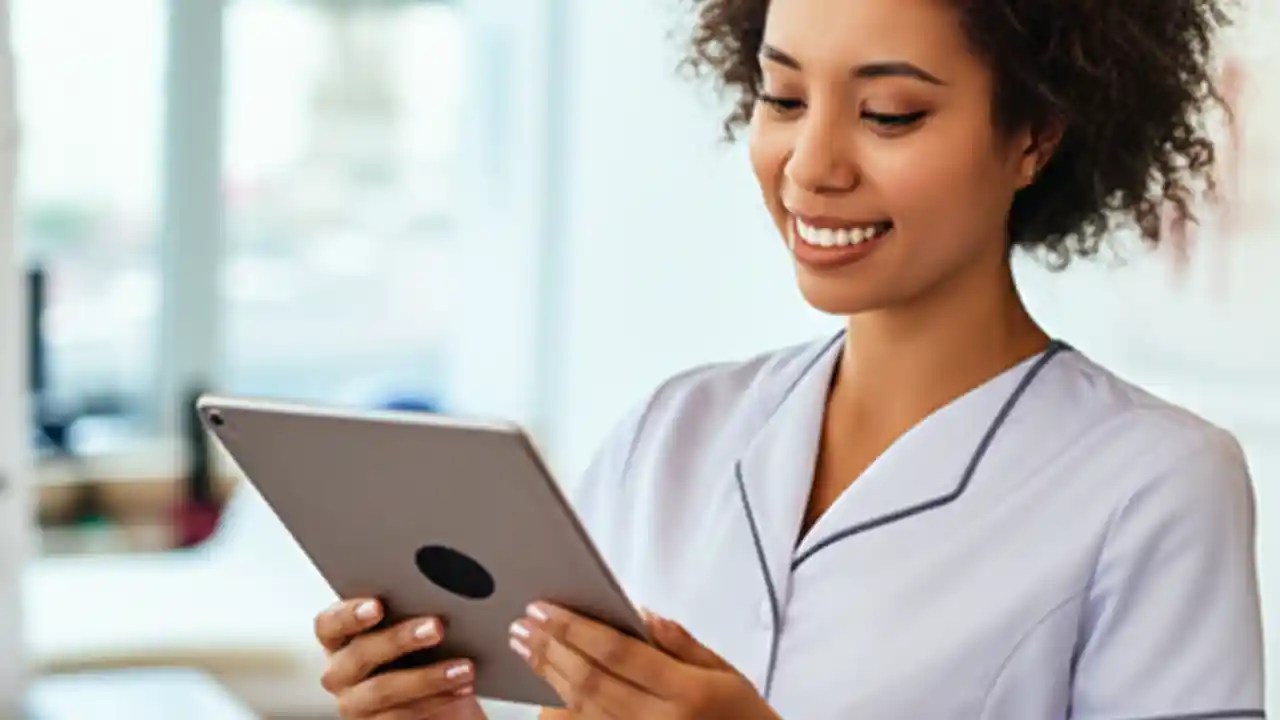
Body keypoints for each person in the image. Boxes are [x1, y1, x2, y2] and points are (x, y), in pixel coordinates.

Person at [311, 0, 1266, 717]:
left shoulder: (1154, 482)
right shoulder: (669, 435)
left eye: (888, 112)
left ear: (1035, 135)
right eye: (784, 97)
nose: (811, 165)